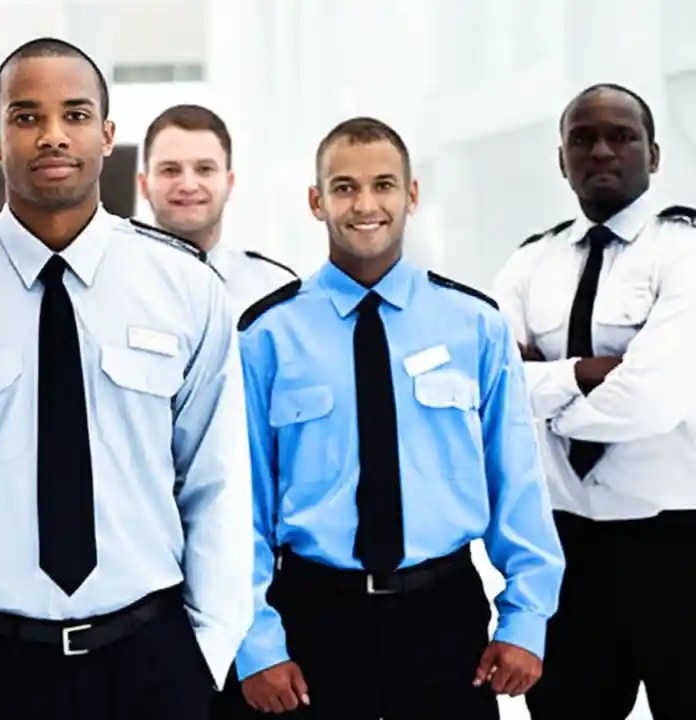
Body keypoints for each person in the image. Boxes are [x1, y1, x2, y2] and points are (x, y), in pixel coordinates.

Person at [0, 37, 252, 720]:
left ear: (107, 136)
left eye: (75, 116)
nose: (52, 136)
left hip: (151, 662)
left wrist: (207, 653)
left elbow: (217, 483)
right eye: (26, 117)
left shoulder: (184, 288)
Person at [234, 117, 564, 719]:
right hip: (315, 618)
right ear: (316, 201)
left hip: (443, 615)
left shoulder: (476, 325)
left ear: (411, 196)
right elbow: (242, 507)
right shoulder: (266, 336)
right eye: (344, 187)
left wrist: (526, 618)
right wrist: (256, 642)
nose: (365, 205)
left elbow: (517, 481)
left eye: (384, 185)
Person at [492, 83, 696, 720]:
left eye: (622, 136)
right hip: (565, 552)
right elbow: (488, 393)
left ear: (654, 155)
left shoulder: (684, 251)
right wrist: (584, 372)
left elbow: (653, 401)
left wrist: (543, 390)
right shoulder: (528, 263)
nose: (601, 150)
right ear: (561, 159)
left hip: (679, 553)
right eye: (582, 138)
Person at [137, 103, 296, 315]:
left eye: (204, 169)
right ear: (144, 185)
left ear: (229, 183)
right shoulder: (110, 284)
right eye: (170, 170)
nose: (188, 186)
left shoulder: (276, 292)